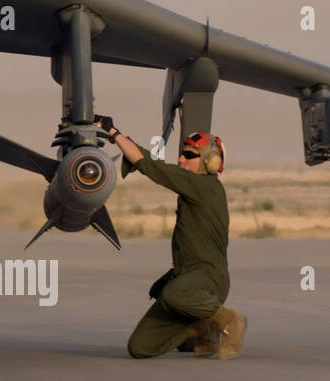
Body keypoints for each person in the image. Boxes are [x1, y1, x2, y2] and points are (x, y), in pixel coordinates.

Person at [95, 116, 248, 359]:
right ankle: (200, 326)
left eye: (189, 155)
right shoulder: (192, 188)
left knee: (174, 294)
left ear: (209, 162)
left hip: (208, 279)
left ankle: (230, 320)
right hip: (188, 278)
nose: (181, 159)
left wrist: (113, 133)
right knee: (140, 347)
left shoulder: (205, 186)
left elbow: (151, 166)